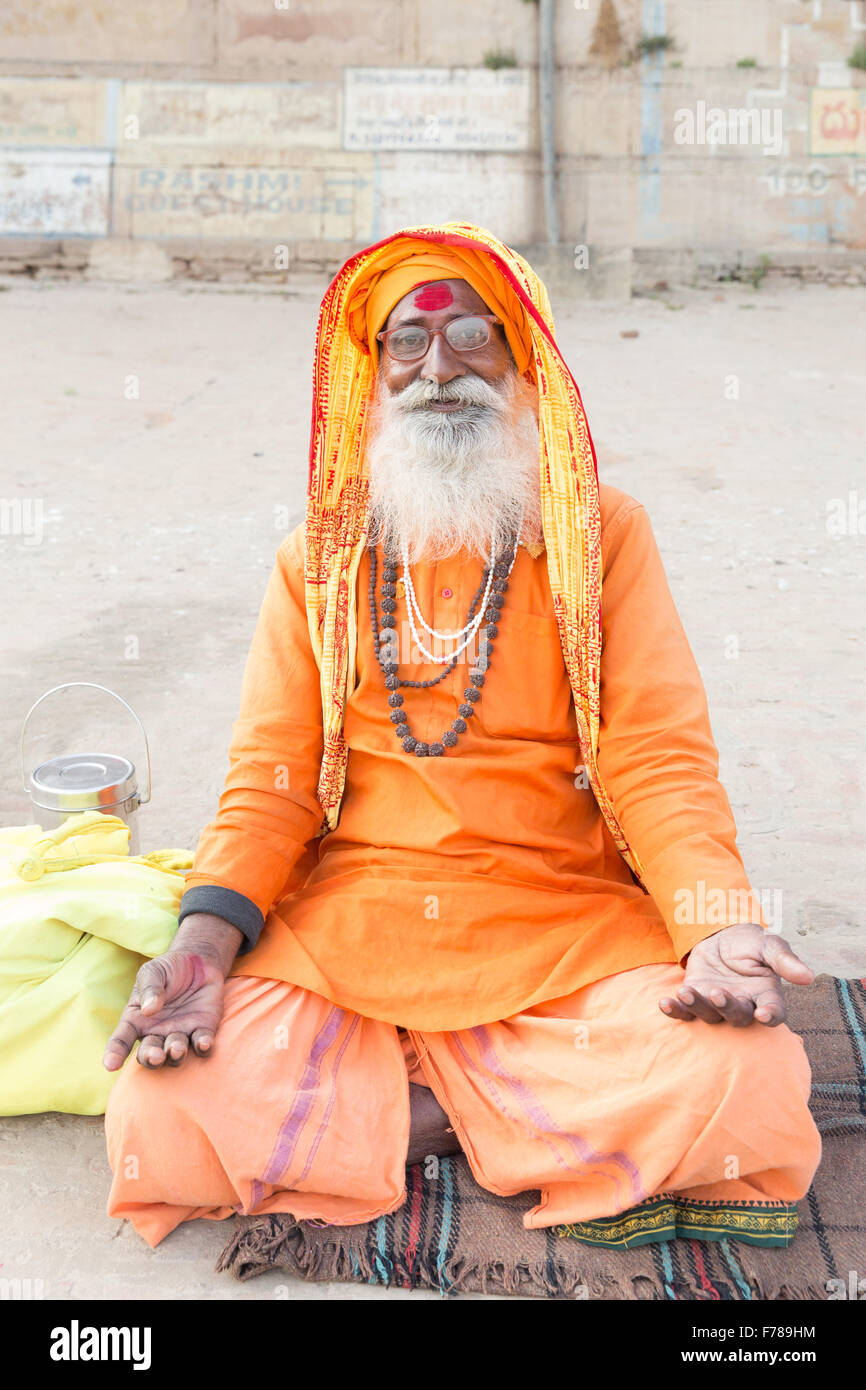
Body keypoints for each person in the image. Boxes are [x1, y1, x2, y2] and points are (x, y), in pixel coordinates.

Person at [103, 222, 821, 1252]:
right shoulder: (320, 555)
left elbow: (656, 754)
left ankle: (391, 1122)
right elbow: (269, 780)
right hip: (355, 928)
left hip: (560, 925)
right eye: (408, 344)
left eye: (473, 340)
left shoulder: (601, 536)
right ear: (376, 371)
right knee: (155, 1110)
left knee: (744, 1078)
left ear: (522, 362)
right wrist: (201, 947)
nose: (438, 370)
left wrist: (713, 926)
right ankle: (497, 1122)